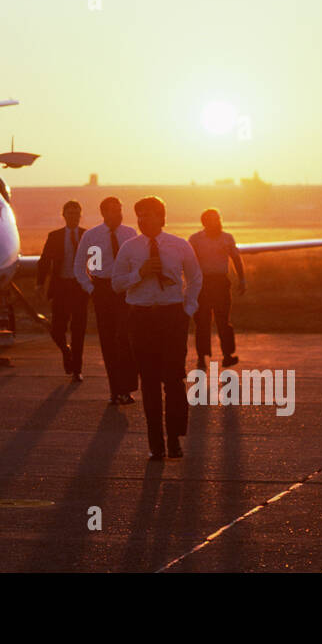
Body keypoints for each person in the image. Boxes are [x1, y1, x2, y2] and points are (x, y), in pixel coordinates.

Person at [112, 196, 202, 460]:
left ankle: (174, 439)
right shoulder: (130, 248)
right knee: (149, 382)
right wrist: (138, 274)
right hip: (141, 318)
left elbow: (195, 277)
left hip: (172, 316)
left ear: (162, 217)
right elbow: (117, 284)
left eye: (149, 214)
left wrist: (188, 309)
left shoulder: (179, 245)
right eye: (139, 214)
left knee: (173, 379)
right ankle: (156, 445)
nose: (143, 219)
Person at [74, 196, 139, 404]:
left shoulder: (130, 234)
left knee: (126, 338)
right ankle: (115, 389)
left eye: (120, 209)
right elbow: (80, 266)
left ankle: (127, 387)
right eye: (113, 210)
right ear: (104, 213)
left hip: (125, 291)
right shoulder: (92, 236)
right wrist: (91, 288)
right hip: (102, 289)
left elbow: (138, 261)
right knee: (109, 339)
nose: (118, 214)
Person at [36, 200, 88, 380]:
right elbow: (44, 261)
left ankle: (76, 370)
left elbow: (96, 261)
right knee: (57, 329)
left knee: (78, 329)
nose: (73, 217)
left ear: (80, 216)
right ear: (63, 215)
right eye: (70, 213)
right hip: (61, 287)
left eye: (76, 213)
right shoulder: (54, 236)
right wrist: (40, 284)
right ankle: (66, 351)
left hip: (79, 287)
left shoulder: (88, 236)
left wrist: (95, 283)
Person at [188, 208, 246, 370]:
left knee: (223, 321)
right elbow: (189, 263)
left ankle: (228, 355)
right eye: (212, 220)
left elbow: (236, 258)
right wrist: (190, 284)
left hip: (221, 283)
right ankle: (201, 357)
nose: (216, 223)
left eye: (217, 219)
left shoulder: (227, 238)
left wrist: (242, 279)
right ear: (204, 223)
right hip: (203, 284)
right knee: (202, 322)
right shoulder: (195, 239)